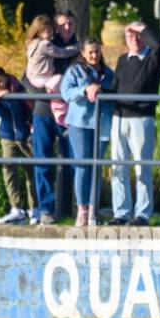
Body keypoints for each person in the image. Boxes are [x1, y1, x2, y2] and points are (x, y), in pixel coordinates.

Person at [22, 13, 79, 225]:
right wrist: (44, 94)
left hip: (72, 113)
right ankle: (46, 208)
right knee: (43, 160)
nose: (67, 28)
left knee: (75, 160)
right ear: (55, 27)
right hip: (44, 111)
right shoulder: (45, 46)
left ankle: (76, 207)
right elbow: (26, 80)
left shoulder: (80, 49)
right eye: (62, 24)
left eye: (70, 23)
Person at [110, 21, 160, 227]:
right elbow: (115, 87)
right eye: (129, 35)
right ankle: (121, 212)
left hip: (141, 118)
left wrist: (142, 27)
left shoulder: (152, 57)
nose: (133, 39)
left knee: (142, 167)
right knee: (118, 167)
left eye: (137, 35)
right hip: (119, 117)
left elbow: (159, 45)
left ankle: (142, 213)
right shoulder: (123, 59)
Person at [60, 38, 114, 227]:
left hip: (102, 123)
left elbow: (115, 92)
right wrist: (85, 89)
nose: (94, 55)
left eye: (97, 51)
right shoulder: (75, 71)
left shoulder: (108, 73)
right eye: (90, 52)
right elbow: (65, 92)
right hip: (80, 124)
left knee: (97, 166)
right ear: (83, 52)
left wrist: (103, 89)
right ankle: (81, 209)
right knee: (83, 164)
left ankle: (94, 210)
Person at [0, 67, 36, 225]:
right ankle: (17, 209)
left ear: (6, 78)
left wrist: (12, 96)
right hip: (7, 137)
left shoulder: (18, 87)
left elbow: (32, 106)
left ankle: (35, 209)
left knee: (31, 171)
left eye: (0, 81)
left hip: (25, 135)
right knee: (9, 170)